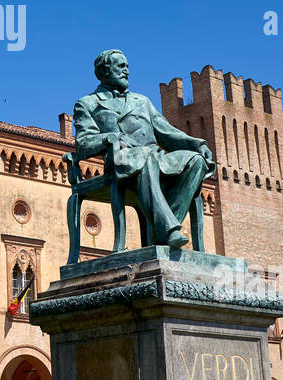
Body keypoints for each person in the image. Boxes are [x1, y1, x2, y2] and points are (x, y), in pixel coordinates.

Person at [73, 49, 215, 248]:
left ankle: (163, 229)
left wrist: (198, 144)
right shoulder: (87, 104)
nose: (127, 71)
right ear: (105, 71)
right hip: (122, 161)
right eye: (121, 66)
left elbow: (168, 133)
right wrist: (111, 137)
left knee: (196, 161)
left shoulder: (142, 101)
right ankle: (168, 229)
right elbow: (83, 143)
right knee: (144, 156)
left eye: (128, 67)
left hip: (154, 157)